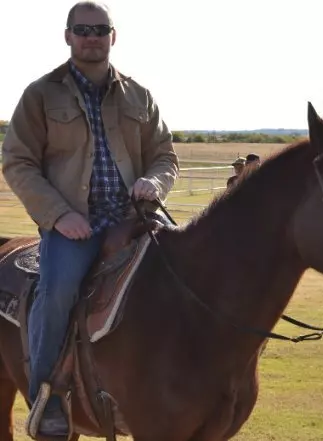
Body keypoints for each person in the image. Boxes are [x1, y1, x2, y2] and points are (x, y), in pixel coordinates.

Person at [1, 1, 179, 437]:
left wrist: (154, 185)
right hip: (72, 226)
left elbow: (164, 157)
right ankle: (49, 400)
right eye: (82, 29)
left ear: (113, 36)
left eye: (101, 29)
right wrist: (59, 215)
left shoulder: (139, 96)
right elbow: (18, 162)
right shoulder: (41, 95)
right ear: (67, 36)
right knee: (58, 290)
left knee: (191, 276)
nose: (92, 36)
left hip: (135, 220)